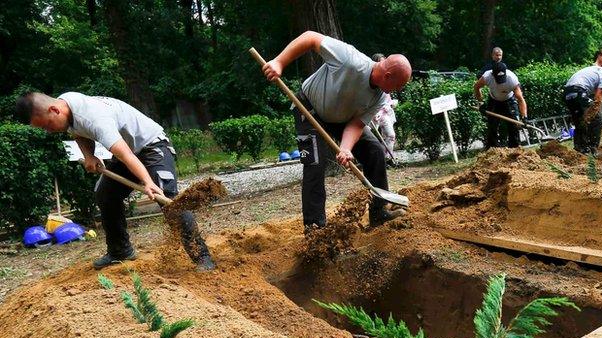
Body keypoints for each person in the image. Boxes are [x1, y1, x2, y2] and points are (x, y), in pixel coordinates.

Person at [14, 92, 215, 271]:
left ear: (54, 110)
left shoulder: (94, 118)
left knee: (167, 198)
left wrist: (147, 181)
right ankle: (120, 251)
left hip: (152, 148)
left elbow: (126, 154)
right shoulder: (67, 106)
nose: (49, 131)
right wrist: (89, 155)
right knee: (105, 194)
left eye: (47, 125)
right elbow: (78, 133)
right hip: (128, 154)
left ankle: (202, 257)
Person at [261, 31, 412, 229]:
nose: (397, 91)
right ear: (388, 75)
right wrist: (279, 62)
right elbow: (310, 38)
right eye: (398, 86)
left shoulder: (381, 97)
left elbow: (357, 124)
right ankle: (315, 230)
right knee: (315, 164)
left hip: (342, 118)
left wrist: (346, 148)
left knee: (374, 151)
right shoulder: (349, 59)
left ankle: (379, 213)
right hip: (310, 109)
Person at [563, 60, 602, 154]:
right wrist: (597, 113)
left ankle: (580, 149)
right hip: (578, 91)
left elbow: (596, 97)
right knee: (597, 119)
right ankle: (592, 149)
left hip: (567, 92)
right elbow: (598, 98)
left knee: (580, 120)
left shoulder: (599, 71)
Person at [474, 61, 527, 149]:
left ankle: (515, 149)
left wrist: (524, 116)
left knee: (514, 125)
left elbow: (521, 100)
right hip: (494, 100)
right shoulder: (487, 76)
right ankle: (492, 150)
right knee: (492, 126)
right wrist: (481, 103)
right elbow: (476, 87)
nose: (500, 82)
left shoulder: (512, 79)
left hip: (509, 100)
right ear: (492, 74)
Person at [369, 54, 399, 164]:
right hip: (374, 113)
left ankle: (387, 158)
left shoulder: (386, 78)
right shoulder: (373, 79)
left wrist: (391, 104)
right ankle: (378, 159)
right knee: (371, 137)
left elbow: (387, 97)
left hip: (385, 112)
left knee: (390, 135)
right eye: (383, 63)